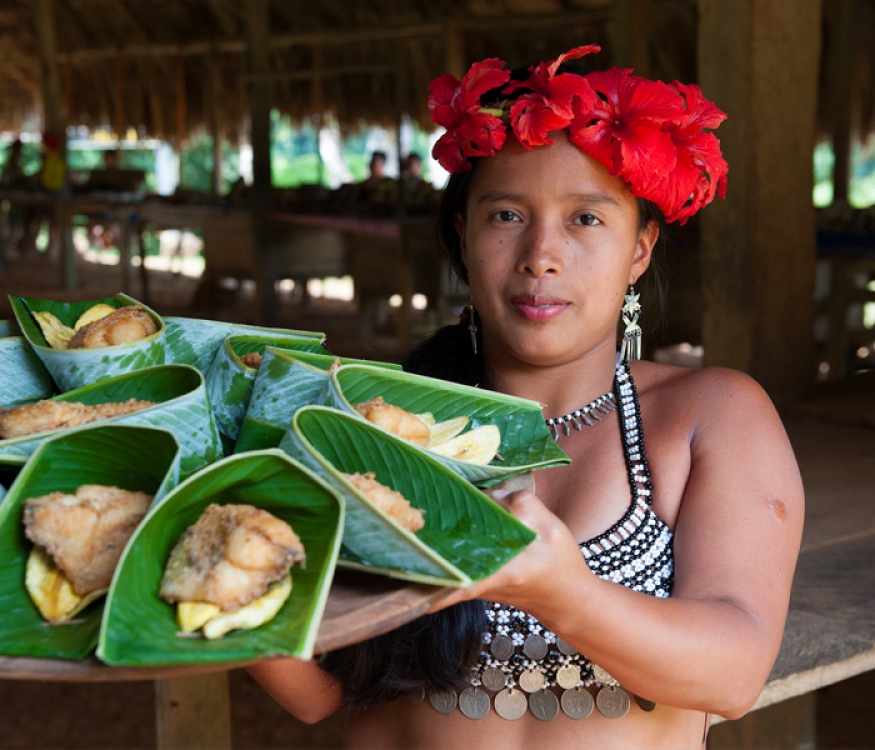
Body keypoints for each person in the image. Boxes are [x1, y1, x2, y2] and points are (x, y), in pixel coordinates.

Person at [248, 44, 804, 749]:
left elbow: (734, 672)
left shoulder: (709, 417)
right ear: (464, 233)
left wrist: (564, 592)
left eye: (586, 219)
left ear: (640, 249)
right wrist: (212, 566)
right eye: (506, 215)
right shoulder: (385, 422)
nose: (541, 253)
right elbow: (321, 694)